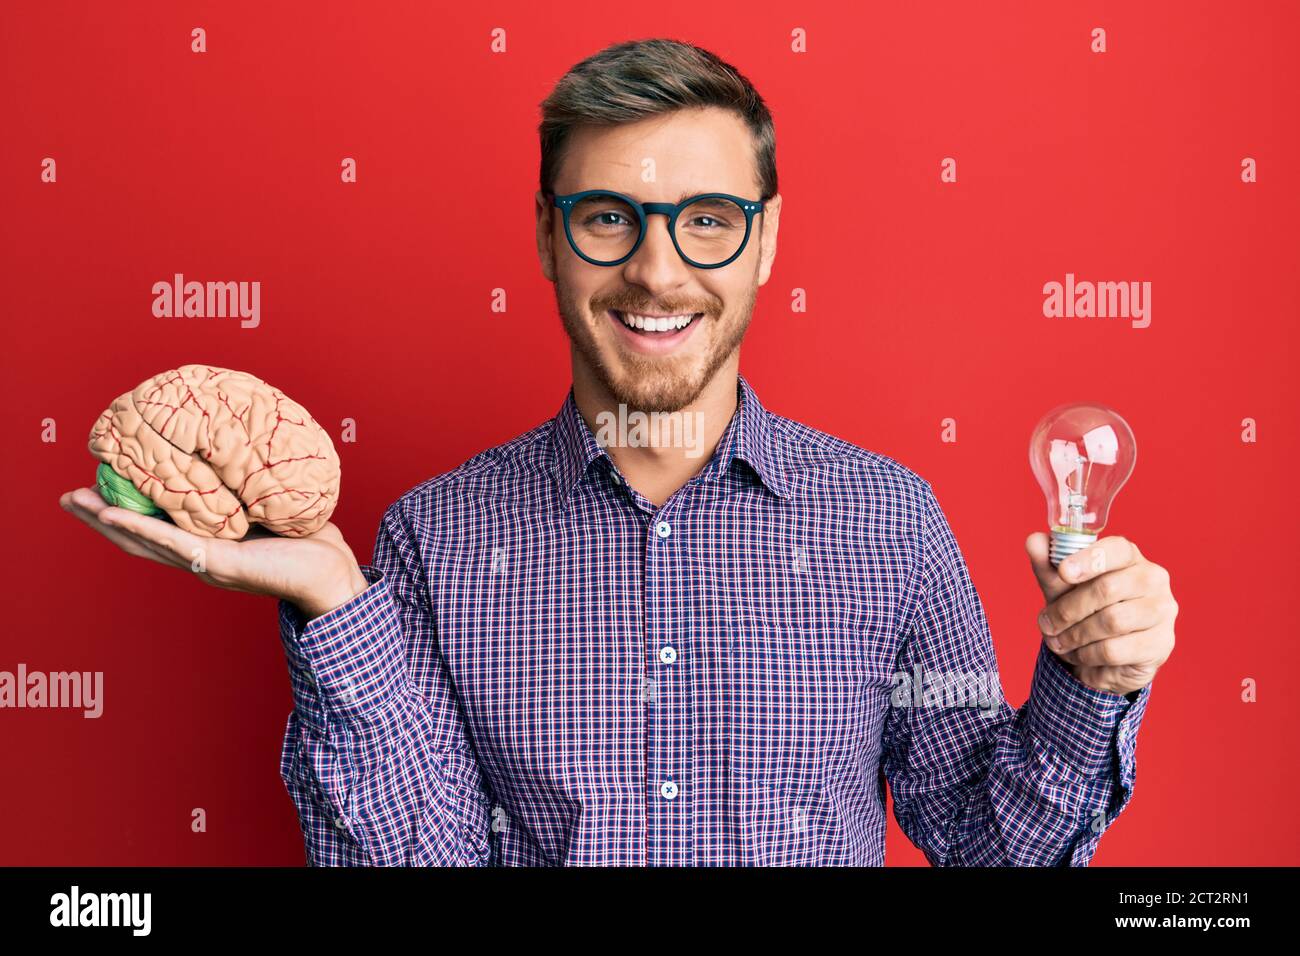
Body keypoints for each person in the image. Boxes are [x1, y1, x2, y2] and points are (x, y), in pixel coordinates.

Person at [59, 38, 1177, 866]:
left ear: (766, 237)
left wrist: (1091, 679)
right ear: (546, 236)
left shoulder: (888, 520)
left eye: (706, 219)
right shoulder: (436, 537)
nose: (655, 271)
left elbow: (995, 849)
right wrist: (335, 597)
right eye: (607, 218)